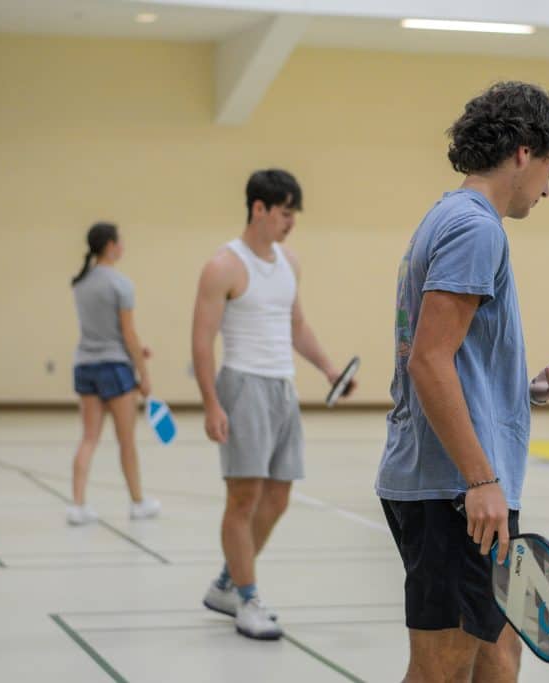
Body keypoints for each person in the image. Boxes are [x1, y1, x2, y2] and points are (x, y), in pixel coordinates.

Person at [375, 81, 549, 682]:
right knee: (442, 665)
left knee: (499, 651)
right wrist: (481, 479)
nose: (548, 187)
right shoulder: (476, 228)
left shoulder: (451, 218)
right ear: (523, 151)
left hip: (460, 481)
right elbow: (427, 360)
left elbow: (450, 359)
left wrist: (526, 391)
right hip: (455, 489)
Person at [191, 169, 355, 641]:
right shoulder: (222, 266)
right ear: (259, 209)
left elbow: (296, 324)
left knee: (279, 497)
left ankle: (227, 581)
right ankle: (246, 598)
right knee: (243, 498)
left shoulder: (290, 263)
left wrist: (328, 368)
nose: (291, 223)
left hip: (282, 388)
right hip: (242, 386)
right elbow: (202, 343)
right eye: (285, 213)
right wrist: (211, 405)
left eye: (294, 214)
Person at [68, 222, 161, 526]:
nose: (123, 246)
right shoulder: (120, 284)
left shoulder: (81, 283)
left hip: (85, 366)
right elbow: (127, 332)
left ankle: (78, 506)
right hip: (115, 369)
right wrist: (143, 374)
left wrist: (134, 347)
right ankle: (137, 502)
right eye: (120, 241)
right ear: (110, 245)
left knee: (89, 439)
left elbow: (109, 332)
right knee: (126, 441)